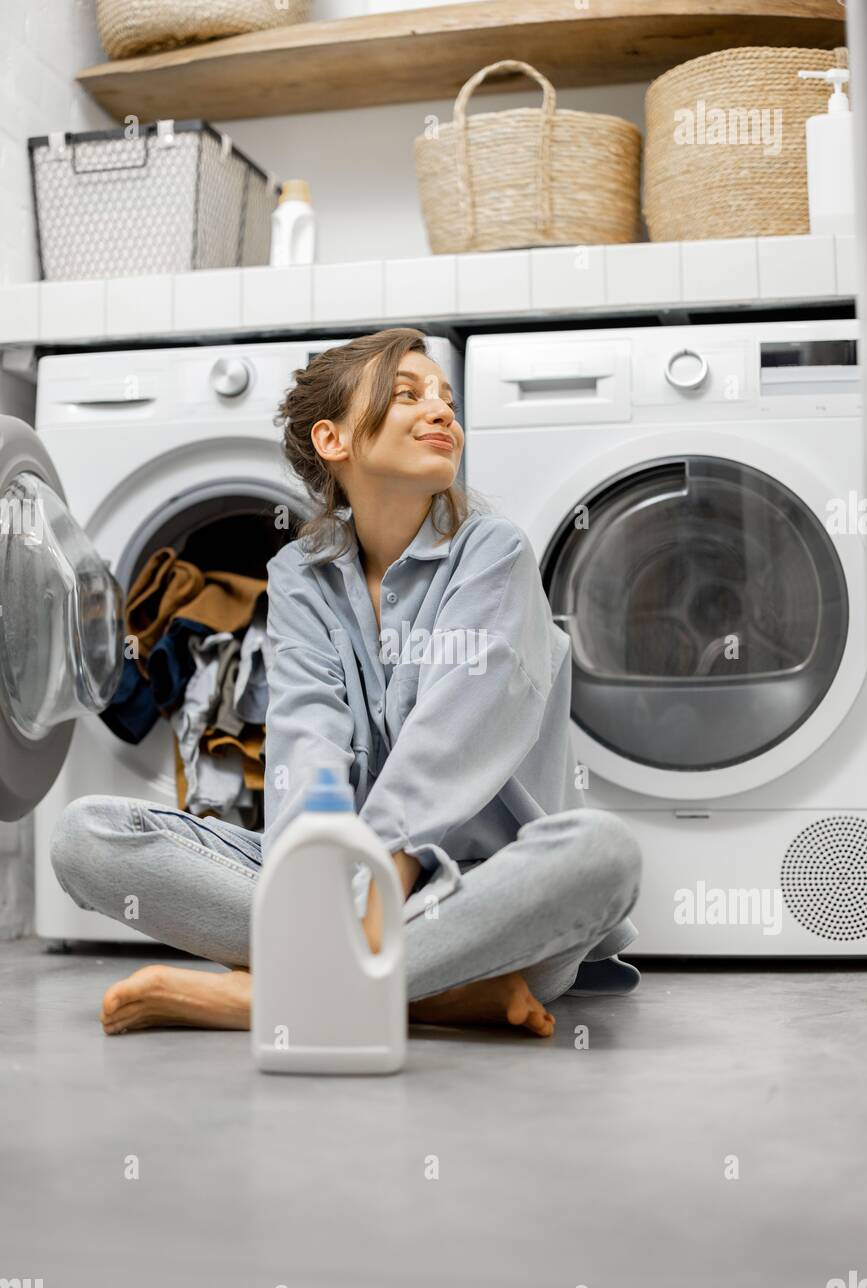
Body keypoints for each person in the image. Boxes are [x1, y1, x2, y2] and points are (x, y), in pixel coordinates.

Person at [50, 327, 642, 1040]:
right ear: (333, 441)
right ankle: (427, 989)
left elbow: (449, 742)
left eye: (446, 399)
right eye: (407, 395)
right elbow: (307, 739)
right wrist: (320, 883)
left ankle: (276, 996)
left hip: (479, 883)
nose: (441, 411)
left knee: (600, 856)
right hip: (344, 888)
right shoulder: (299, 574)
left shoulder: (493, 552)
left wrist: (377, 888)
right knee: (86, 837)